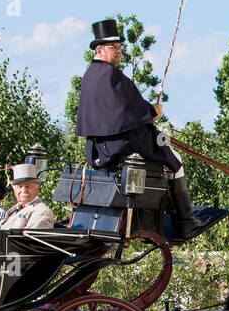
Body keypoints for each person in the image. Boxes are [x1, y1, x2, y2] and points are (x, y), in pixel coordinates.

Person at [75, 18, 204, 238]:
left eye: (120, 48)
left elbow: (120, 111)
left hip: (99, 146)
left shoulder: (90, 75)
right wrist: (153, 112)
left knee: (166, 151)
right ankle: (186, 221)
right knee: (176, 160)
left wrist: (146, 113)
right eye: (113, 48)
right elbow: (127, 113)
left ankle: (175, 212)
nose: (118, 52)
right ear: (99, 49)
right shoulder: (109, 75)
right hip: (121, 143)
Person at [0, 163, 55, 230]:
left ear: (37, 188)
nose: (24, 190)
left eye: (28, 186)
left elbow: (30, 239)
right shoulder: (14, 209)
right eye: (20, 187)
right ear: (14, 190)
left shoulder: (42, 212)